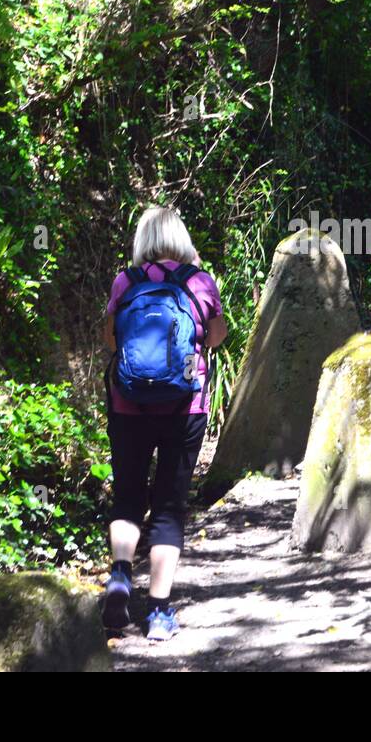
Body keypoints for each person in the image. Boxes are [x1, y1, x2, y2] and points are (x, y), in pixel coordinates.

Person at [101, 205, 228, 640]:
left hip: (127, 405)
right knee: (169, 508)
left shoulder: (126, 281)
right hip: (183, 408)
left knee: (128, 497)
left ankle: (119, 576)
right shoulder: (199, 282)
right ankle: (158, 612)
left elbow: (109, 337)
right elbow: (215, 336)